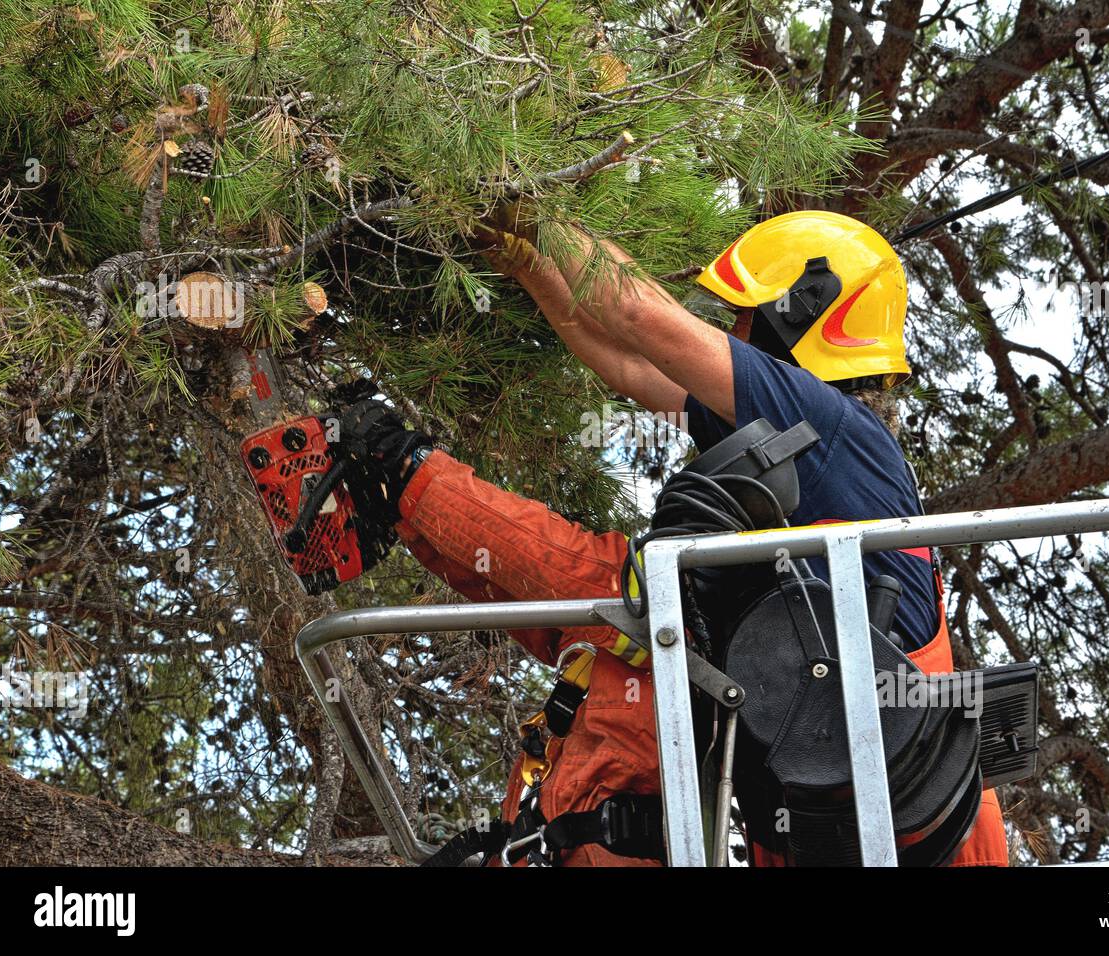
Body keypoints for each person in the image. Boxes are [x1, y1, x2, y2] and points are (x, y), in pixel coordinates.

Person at [348, 210, 1007, 866]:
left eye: (746, 315)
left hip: (871, 818)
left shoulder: (835, 430)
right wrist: (527, 258)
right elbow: (627, 365)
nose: (733, 332)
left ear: (802, 310)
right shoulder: (799, 441)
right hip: (831, 819)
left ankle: (406, 480)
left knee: (628, 589)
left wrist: (517, 196)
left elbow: (640, 317)